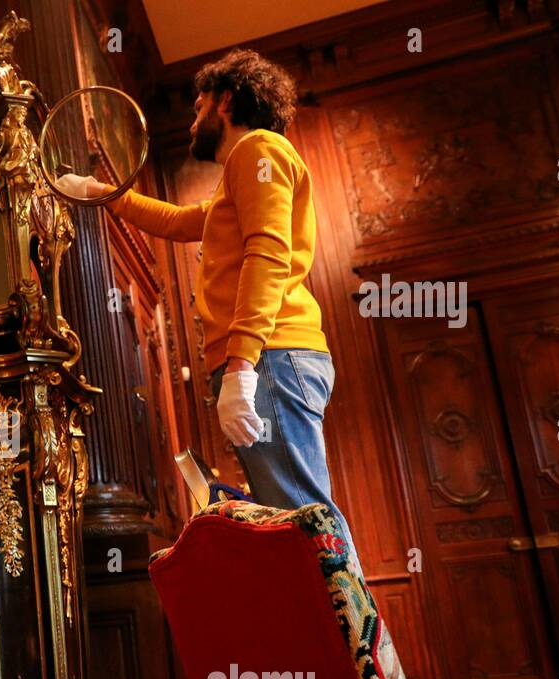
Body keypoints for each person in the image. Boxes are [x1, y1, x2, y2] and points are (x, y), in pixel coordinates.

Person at [58, 49, 359, 565]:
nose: (192, 118)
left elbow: (268, 251)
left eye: (197, 107)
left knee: (305, 521)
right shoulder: (244, 170)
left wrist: (241, 367)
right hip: (269, 360)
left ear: (225, 101)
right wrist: (99, 191)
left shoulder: (258, 149)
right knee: (296, 523)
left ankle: (359, 646)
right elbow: (179, 221)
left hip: (270, 359)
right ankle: (350, 642)